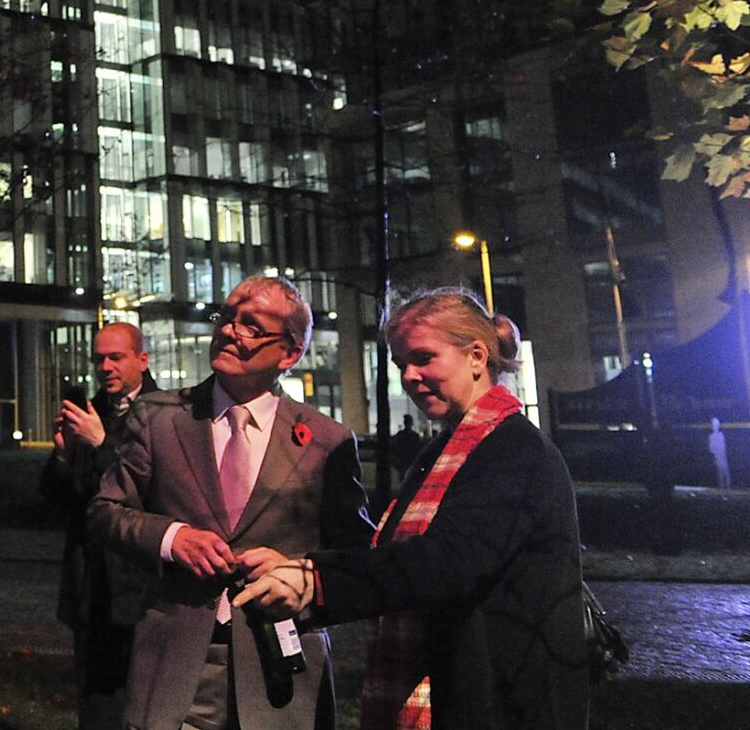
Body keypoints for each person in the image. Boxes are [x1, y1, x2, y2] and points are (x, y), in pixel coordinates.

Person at [235, 287, 588, 730]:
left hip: (503, 701)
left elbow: (449, 561)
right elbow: (399, 554)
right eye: (403, 364)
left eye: (424, 358)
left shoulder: (514, 449)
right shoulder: (447, 447)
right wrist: (301, 567)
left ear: (477, 356)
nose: (409, 376)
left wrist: (316, 580)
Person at [88, 274, 373, 730]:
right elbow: (104, 512)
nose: (228, 331)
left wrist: (300, 575)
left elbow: (358, 557)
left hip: (279, 668)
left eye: (252, 326)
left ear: (290, 352)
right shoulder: (159, 416)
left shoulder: (326, 440)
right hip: (175, 662)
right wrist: (171, 538)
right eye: (227, 318)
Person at [40, 321, 158, 729]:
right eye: (99, 359)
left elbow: (151, 493)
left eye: (116, 357)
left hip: (142, 585)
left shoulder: (168, 413)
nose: (105, 366)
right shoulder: (93, 411)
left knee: (146, 702)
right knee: (97, 707)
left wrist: (101, 444)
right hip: (91, 585)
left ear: (142, 359)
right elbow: (61, 502)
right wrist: (62, 457)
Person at [390, 414, 425, 486]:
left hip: (404, 460)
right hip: (410, 460)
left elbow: (396, 447)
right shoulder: (414, 436)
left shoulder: (401, 435)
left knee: (404, 478)